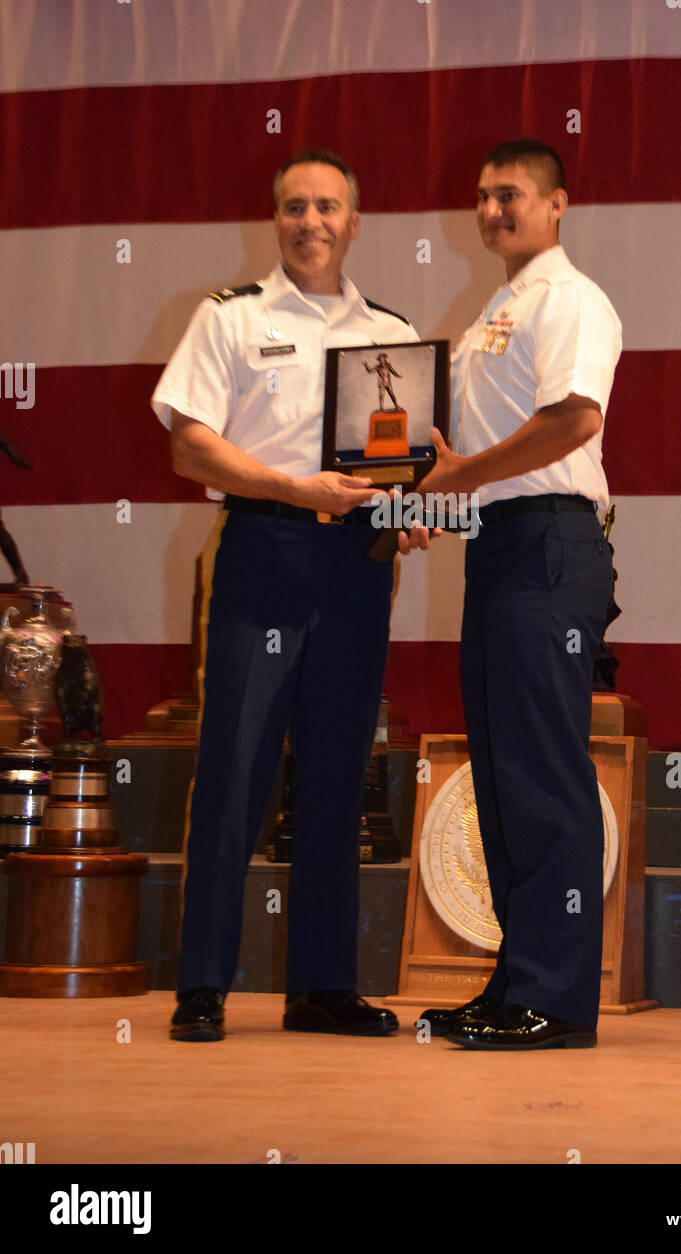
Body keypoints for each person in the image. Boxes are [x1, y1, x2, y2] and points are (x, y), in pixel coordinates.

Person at [151, 150, 429, 1041]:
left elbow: (405, 457)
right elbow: (189, 445)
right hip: (263, 552)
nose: (311, 221)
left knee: (339, 775)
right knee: (234, 769)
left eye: (327, 207)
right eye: (295, 207)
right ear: (275, 220)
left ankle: (321, 987)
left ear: (355, 222)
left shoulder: (390, 331)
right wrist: (293, 489)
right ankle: (203, 984)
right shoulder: (228, 317)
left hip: (356, 567)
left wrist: (407, 509)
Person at [418, 138, 622, 1050]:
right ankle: (516, 981)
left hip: (548, 544)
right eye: (482, 196)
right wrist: (420, 500)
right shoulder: (495, 311)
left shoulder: (568, 299)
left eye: (510, 194)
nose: (492, 210)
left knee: (542, 773)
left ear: (556, 203)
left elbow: (572, 419)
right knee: (505, 778)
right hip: (500, 545)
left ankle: (557, 999)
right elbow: (470, 463)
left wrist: (459, 479)